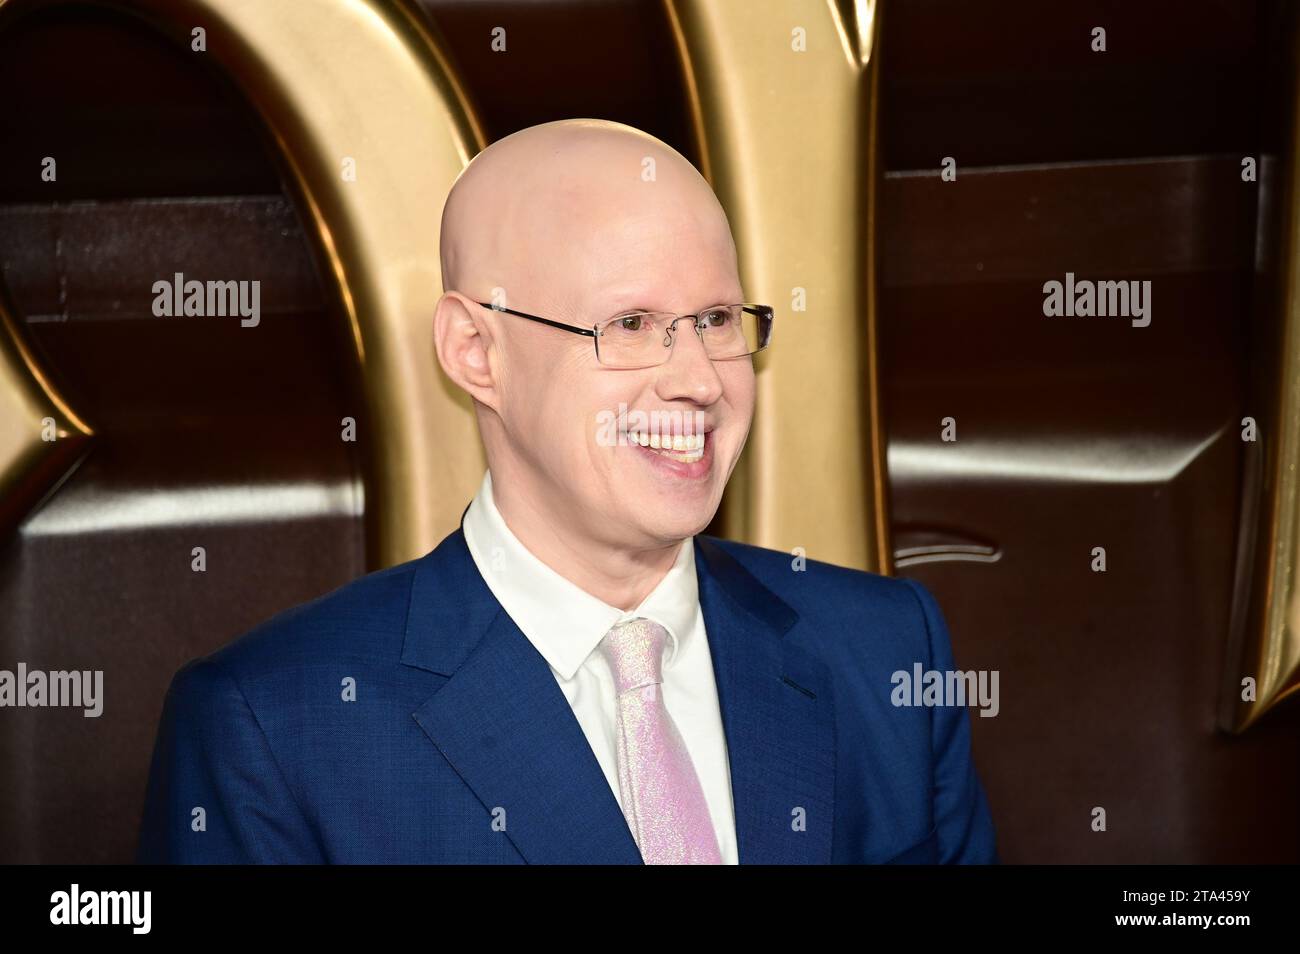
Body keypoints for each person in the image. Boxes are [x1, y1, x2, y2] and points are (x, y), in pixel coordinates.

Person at [136, 118, 998, 864]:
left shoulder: (888, 652)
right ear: (476, 352)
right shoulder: (272, 728)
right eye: (631, 325)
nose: (698, 378)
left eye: (717, 321)